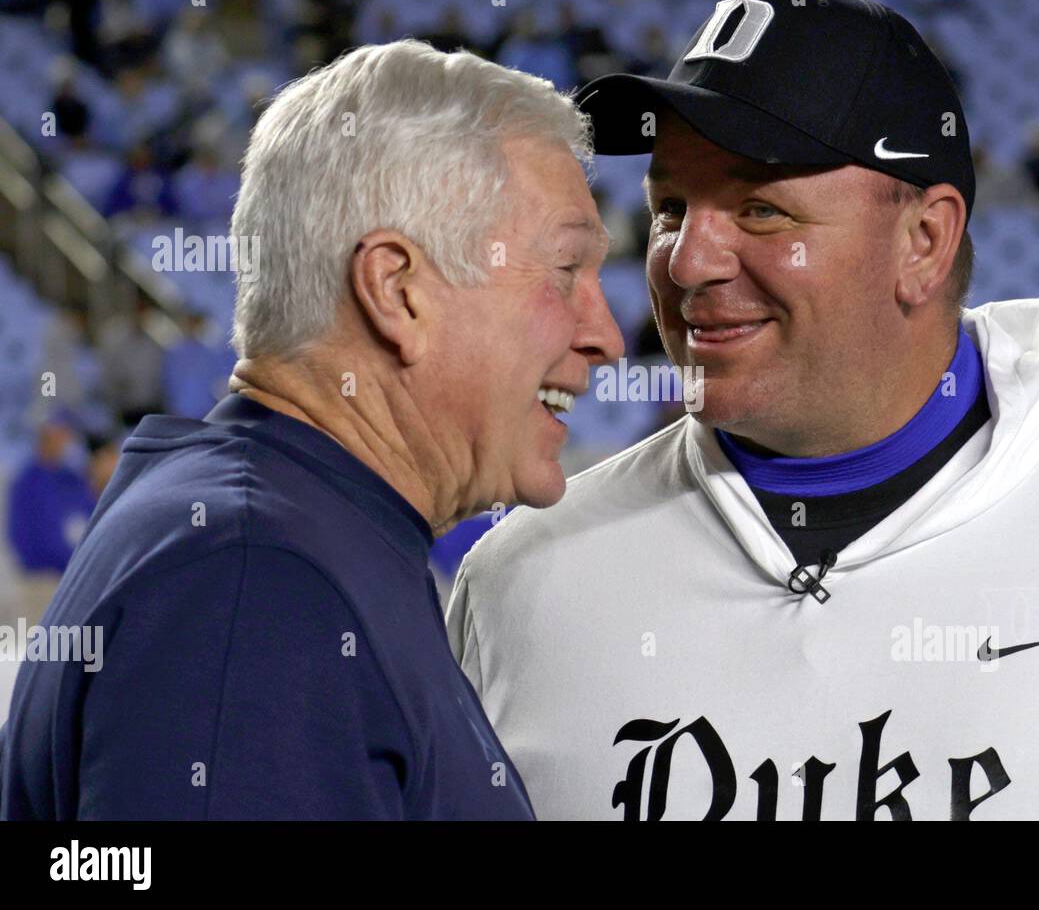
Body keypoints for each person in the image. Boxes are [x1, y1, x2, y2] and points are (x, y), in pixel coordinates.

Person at [448, 0, 1039, 820]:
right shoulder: (521, 580)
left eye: (760, 208)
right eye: (671, 205)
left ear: (923, 242)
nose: (685, 261)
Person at [0, 40, 622, 820]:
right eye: (565, 272)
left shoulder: (277, 544)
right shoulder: (254, 585)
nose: (608, 334)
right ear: (397, 291)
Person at [4, 411, 96, 626]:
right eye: (57, 435)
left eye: (66, 435)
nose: (63, 441)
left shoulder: (73, 479)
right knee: (39, 648)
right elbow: (21, 536)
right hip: (39, 582)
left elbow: (90, 522)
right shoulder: (27, 482)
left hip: (75, 582)